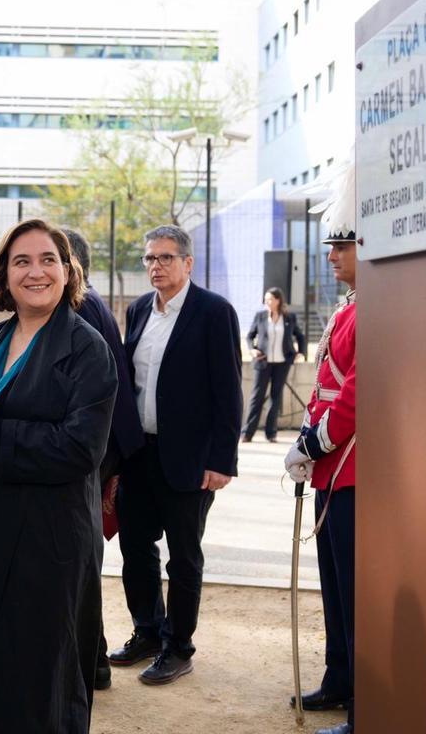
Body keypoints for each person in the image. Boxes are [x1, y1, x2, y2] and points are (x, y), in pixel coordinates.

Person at [0, 219, 116, 733]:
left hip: (44, 538)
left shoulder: (88, 349)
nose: (36, 271)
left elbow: (81, 449)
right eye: (22, 261)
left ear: (67, 271)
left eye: (48, 260)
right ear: (4, 275)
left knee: (32, 676)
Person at [111, 224, 243, 686]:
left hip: (189, 459)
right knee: (134, 547)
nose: (156, 266)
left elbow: (229, 391)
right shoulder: (139, 309)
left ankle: (178, 646)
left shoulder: (213, 312)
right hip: (140, 455)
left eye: (166, 258)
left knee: (183, 557)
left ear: (188, 263)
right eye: (149, 258)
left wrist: (223, 461)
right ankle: (147, 631)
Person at [285, 166, 358, 734]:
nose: (332, 254)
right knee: (333, 586)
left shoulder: (375, 307)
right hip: (332, 465)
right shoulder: (352, 305)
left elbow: (359, 392)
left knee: (357, 594)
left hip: (355, 464)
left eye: (342, 244)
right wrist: (310, 440)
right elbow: (327, 385)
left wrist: (317, 439)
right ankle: (339, 680)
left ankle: (366, 705)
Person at [60, 227, 146, 692]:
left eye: (51, 258)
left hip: (91, 448)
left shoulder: (81, 306)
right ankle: (91, 660)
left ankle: (89, 661)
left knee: (78, 555)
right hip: (103, 445)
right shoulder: (90, 302)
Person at [245, 287, 306, 443]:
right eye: (265, 299)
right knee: (256, 397)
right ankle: (247, 433)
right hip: (263, 362)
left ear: (278, 300)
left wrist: (301, 352)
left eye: (270, 299)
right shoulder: (260, 316)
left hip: (282, 363)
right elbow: (250, 336)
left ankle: (271, 434)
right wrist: (252, 350)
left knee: (275, 398)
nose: (267, 302)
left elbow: (300, 336)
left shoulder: (289, 317)